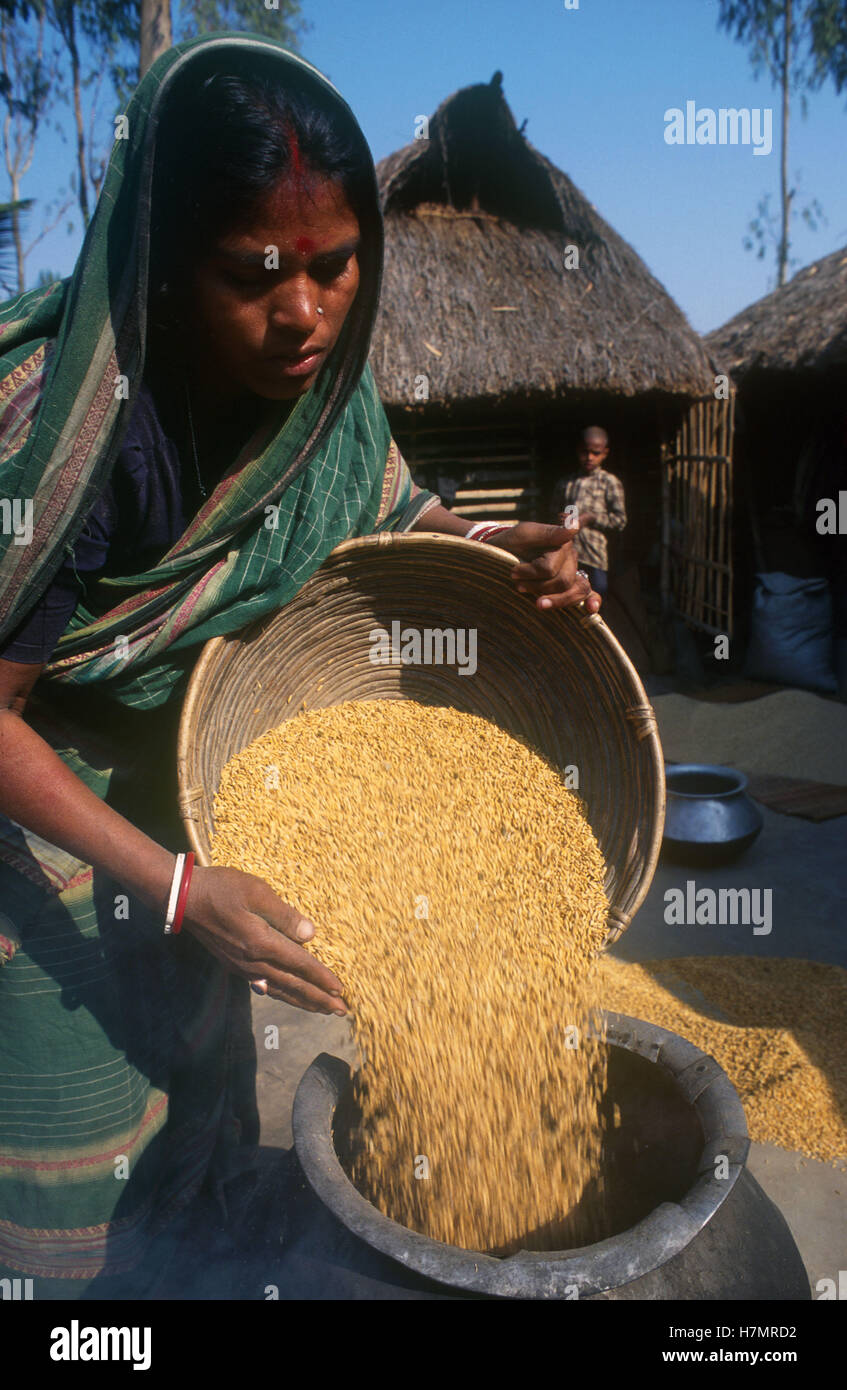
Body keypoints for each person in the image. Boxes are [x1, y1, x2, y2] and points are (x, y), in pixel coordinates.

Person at [0, 33, 602, 1299]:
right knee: (80, 1122)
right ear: (170, 261)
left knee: (201, 1104)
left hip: (195, 783)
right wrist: (173, 890)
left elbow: (382, 510)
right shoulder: (86, 436)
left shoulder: (324, 397)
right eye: (255, 275)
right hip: (43, 811)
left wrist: (500, 546)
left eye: (336, 268)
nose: (306, 313)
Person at [550, 427, 627, 598]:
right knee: (568, 596)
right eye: (585, 452)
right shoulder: (566, 483)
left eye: (596, 453)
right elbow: (552, 514)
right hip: (568, 553)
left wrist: (590, 518)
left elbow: (620, 521)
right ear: (578, 450)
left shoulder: (609, 482)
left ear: (605, 453)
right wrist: (561, 519)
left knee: (596, 596)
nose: (590, 457)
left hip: (596, 556)